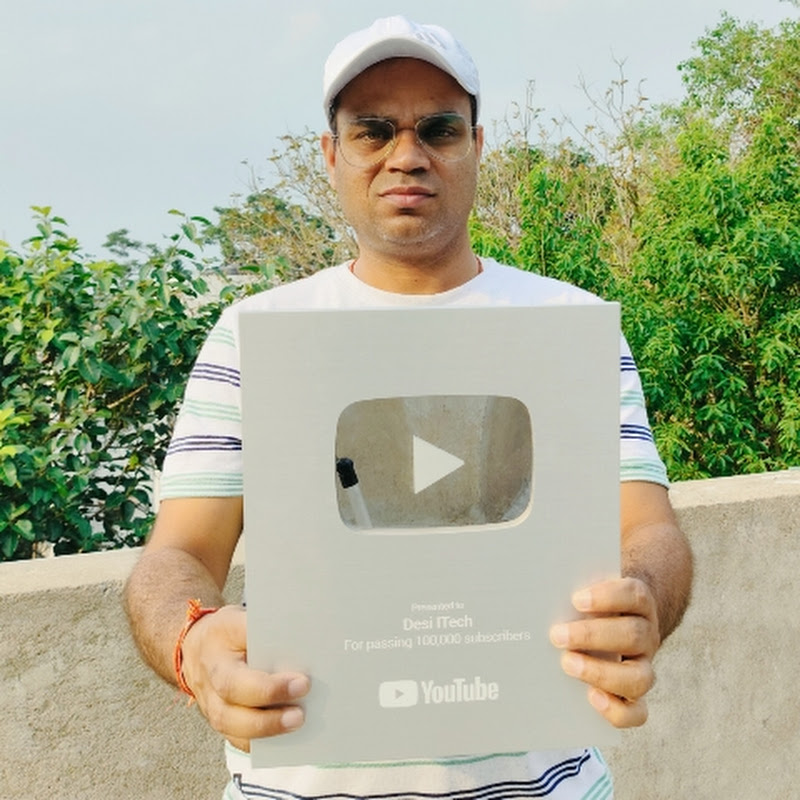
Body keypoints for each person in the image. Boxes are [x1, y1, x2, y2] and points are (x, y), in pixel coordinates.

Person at [124, 16, 693, 800]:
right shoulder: (252, 337)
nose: (407, 155)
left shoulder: (572, 327)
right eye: (372, 130)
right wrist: (192, 643)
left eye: (438, 129)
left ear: (477, 146)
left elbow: (649, 530)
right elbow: (177, 554)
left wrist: (644, 600)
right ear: (331, 154)